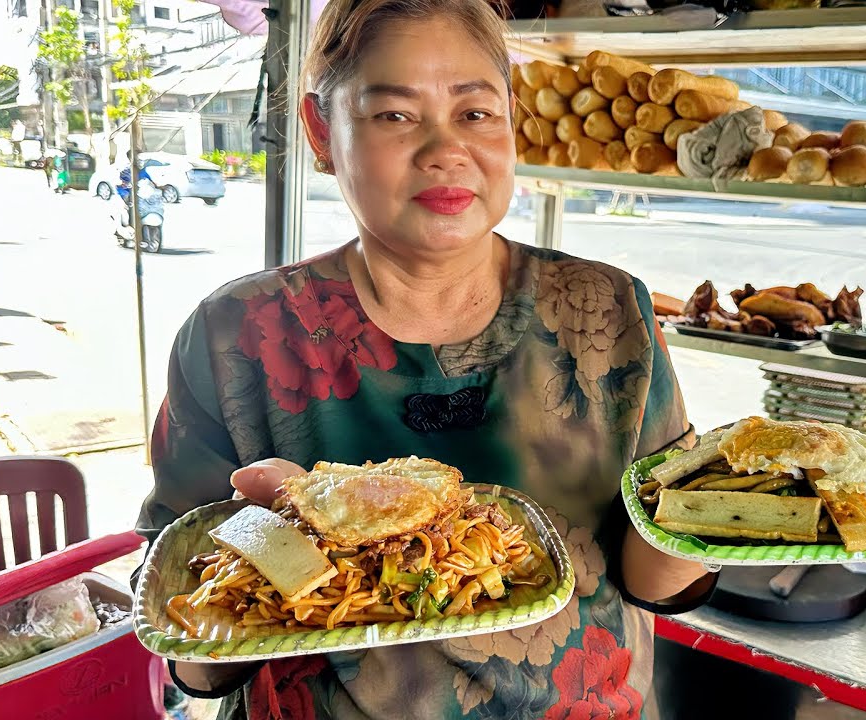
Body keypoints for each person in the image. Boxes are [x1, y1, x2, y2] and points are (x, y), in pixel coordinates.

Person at [135, 1, 715, 718]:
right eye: (394, 115)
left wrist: (713, 516)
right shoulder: (233, 337)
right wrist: (261, 550)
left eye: (475, 113)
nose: (446, 149)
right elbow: (194, 658)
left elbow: (659, 580)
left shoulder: (608, 308)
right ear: (322, 130)